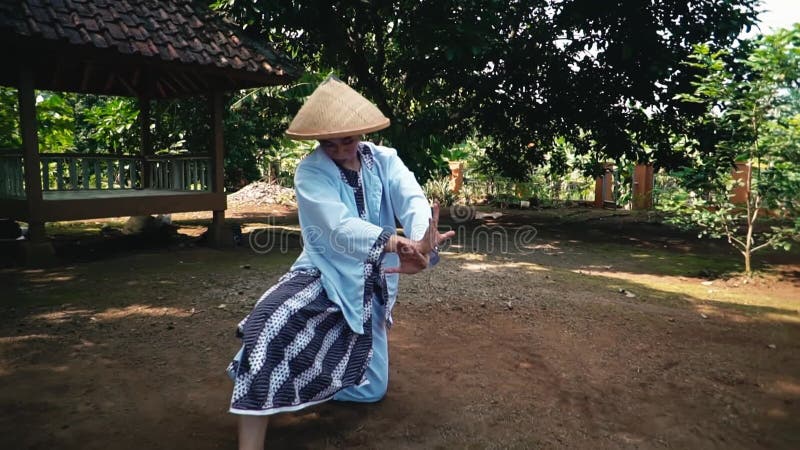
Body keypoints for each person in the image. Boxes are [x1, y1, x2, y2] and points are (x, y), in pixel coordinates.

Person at [227, 76, 455, 450]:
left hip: (372, 280)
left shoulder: (385, 160)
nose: (338, 150)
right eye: (328, 143)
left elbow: (412, 199)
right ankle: (257, 393)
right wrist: (398, 243)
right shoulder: (310, 170)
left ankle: (299, 385)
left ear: (361, 133)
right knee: (268, 324)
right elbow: (337, 227)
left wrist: (421, 242)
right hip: (324, 270)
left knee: (372, 389)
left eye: (346, 140)